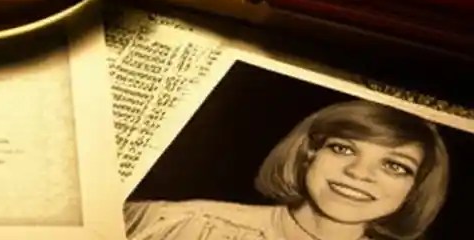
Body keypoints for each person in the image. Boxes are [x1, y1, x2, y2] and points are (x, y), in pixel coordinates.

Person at [124, 98, 450, 240]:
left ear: (416, 188)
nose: (359, 173)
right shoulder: (187, 226)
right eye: (342, 148)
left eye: (394, 166)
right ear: (309, 154)